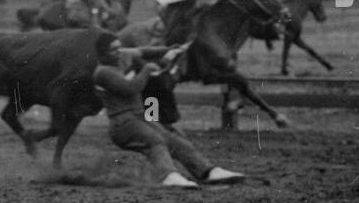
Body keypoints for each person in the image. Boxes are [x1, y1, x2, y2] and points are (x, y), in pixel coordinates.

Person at [92, 33, 245, 188]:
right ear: (102, 54)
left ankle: (207, 171)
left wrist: (171, 49)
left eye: (119, 47)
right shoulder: (103, 72)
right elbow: (130, 88)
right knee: (155, 141)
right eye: (114, 50)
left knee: (174, 140)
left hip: (139, 117)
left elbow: (145, 51)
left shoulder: (123, 55)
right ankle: (168, 175)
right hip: (122, 123)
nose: (119, 52)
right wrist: (146, 70)